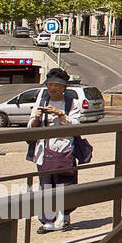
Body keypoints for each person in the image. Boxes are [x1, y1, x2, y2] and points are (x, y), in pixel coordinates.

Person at [28, 67, 84, 233]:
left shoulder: (72, 103)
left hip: (65, 150)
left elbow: (76, 125)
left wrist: (60, 114)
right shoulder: (41, 102)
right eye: (50, 85)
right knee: (46, 186)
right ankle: (48, 221)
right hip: (44, 152)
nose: (53, 88)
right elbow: (31, 126)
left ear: (64, 88)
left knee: (65, 185)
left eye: (57, 86)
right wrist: (37, 118)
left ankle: (65, 217)